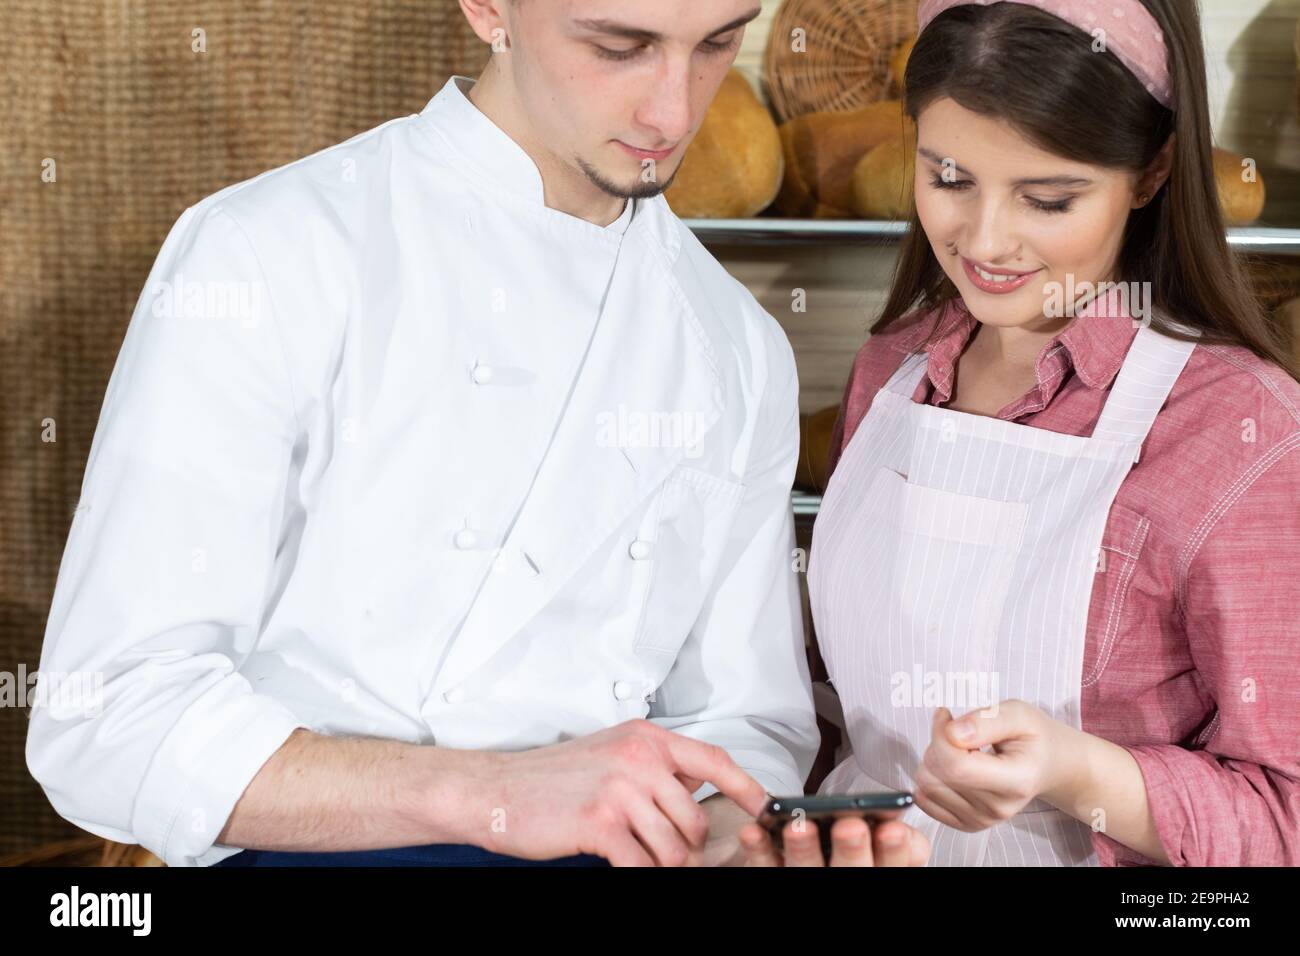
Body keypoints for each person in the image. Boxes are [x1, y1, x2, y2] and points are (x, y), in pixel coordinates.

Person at [25, 0, 934, 868]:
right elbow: (107, 719)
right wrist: (491, 796)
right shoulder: (265, 255)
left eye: (714, 46)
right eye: (620, 45)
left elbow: (746, 727)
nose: (674, 108)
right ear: (489, 10)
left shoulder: (737, 347)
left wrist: (745, 839)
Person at [743, 0, 1300, 866]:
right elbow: (838, 702)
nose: (986, 242)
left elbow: (1287, 818)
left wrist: (1081, 773)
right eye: (949, 178)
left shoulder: (1239, 430)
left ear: (1151, 173)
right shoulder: (892, 367)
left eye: (1047, 198)